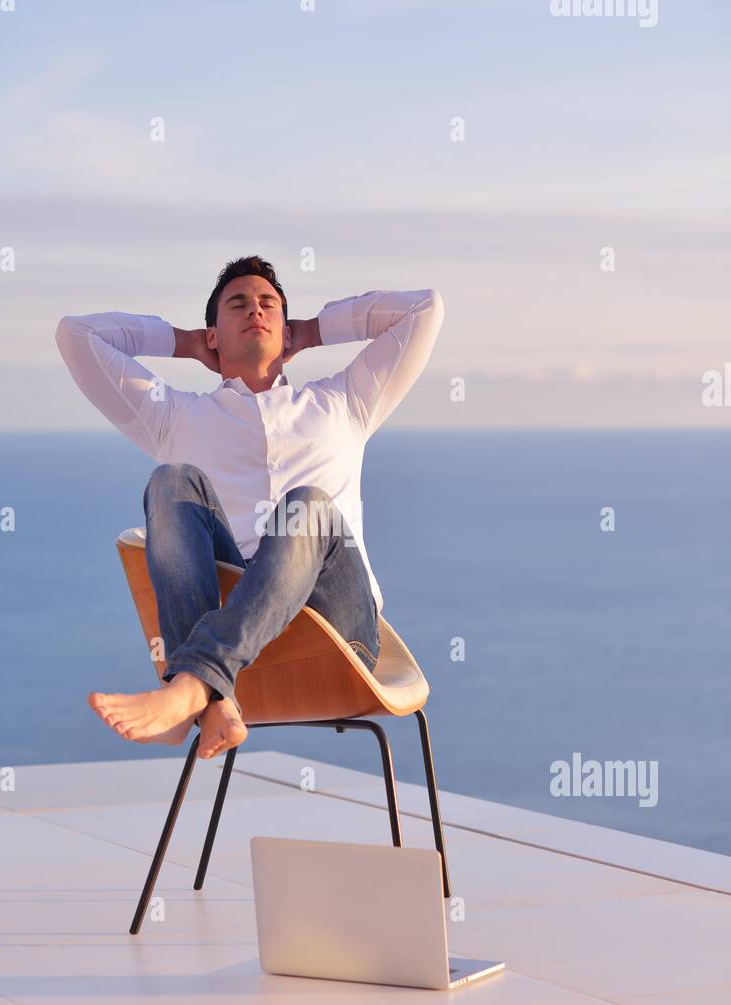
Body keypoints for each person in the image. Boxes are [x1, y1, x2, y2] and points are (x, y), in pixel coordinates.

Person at [55, 255, 444, 760]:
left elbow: (424, 310)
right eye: (237, 304)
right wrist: (184, 342)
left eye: (268, 305)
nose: (254, 311)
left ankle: (193, 686)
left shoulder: (345, 402)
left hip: (338, 636)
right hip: (245, 647)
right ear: (213, 335)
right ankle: (213, 695)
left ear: (285, 330)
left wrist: (312, 330)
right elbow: (75, 335)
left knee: (310, 506)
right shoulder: (175, 417)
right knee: (172, 481)